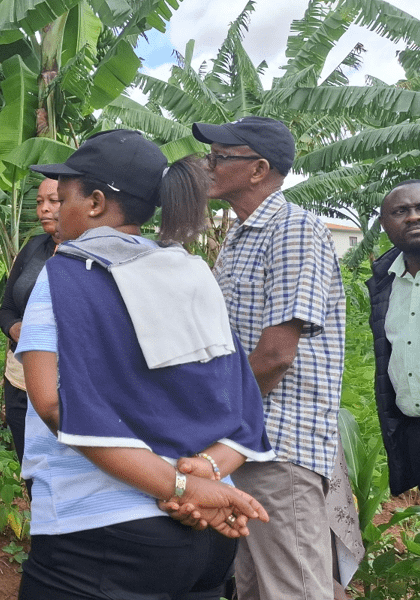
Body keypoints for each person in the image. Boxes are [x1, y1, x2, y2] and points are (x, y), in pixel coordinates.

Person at [17, 129, 275, 600]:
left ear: (95, 203)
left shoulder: (66, 273)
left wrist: (181, 487)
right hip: (209, 538)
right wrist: (204, 475)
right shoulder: (192, 274)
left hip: (101, 536)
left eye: (64, 194)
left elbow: (54, 406)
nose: (56, 206)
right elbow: (244, 408)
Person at [192, 117, 360, 599]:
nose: (209, 166)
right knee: (254, 586)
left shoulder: (293, 230)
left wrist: (219, 416)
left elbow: (275, 354)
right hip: (248, 440)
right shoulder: (243, 236)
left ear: (258, 169)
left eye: (220, 157)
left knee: (293, 588)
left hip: (279, 445)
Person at [0, 177, 63, 466]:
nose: (44, 210)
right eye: (39, 203)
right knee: (31, 470)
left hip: (65, 389)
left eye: (53, 201)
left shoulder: (91, 254)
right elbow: (7, 309)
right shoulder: (33, 248)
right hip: (20, 383)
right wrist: (15, 329)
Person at [367, 180, 420, 496]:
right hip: (410, 430)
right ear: (385, 224)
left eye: (419, 209)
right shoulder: (383, 284)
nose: (413, 217)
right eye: (401, 211)